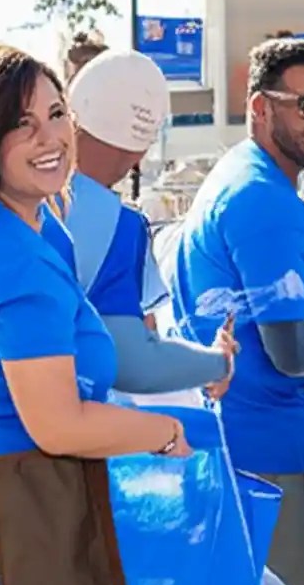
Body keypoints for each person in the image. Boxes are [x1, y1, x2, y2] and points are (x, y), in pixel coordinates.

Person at [0, 44, 226, 585]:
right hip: (4, 527)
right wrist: (164, 433)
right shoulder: (17, 259)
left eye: (57, 114)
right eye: (22, 125)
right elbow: (60, 428)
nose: (51, 138)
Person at [169, 38, 304, 585]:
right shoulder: (265, 200)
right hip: (270, 455)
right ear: (259, 108)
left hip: (231, 441)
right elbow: (294, 352)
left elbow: (259, 309)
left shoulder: (233, 176)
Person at [62, 48, 234, 398]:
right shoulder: (118, 227)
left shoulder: (6, 197)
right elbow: (135, 364)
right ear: (143, 148)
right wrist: (218, 363)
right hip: (52, 436)